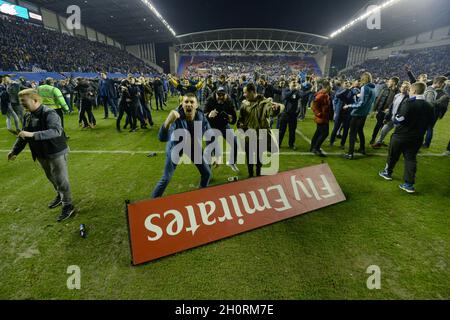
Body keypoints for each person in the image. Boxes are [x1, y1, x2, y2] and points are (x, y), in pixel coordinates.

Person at [7, 89, 75, 221]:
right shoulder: (28, 115)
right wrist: (15, 151)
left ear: (35, 100)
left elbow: (56, 131)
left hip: (55, 152)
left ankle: (68, 205)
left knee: (61, 180)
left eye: (24, 101)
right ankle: (61, 196)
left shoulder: (50, 113)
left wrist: (33, 135)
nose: (22, 105)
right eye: (21, 102)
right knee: (52, 178)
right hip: (40, 154)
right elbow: (23, 135)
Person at [151, 93, 212, 198]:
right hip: (176, 147)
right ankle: (152, 202)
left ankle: (202, 195)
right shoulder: (176, 117)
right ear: (181, 104)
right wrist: (167, 122)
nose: (189, 104)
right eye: (186, 102)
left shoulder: (201, 116)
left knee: (207, 174)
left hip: (192, 146)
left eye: (192, 102)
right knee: (166, 178)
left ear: (196, 105)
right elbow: (162, 138)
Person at [378, 82, 434, 193]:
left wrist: (394, 119)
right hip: (417, 138)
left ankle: (387, 173)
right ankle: (409, 184)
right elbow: (431, 123)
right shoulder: (429, 106)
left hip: (401, 136)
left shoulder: (409, 103)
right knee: (410, 159)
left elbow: (399, 119)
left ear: (414, 91)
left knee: (393, 155)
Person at [237, 83, 284, 178]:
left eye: (245, 92)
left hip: (260, 135)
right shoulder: (244, 104)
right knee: (249, 157)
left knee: (259, 158)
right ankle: (250, 175)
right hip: (248, 135)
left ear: (252, 92)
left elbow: (271, 110)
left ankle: (258, 175)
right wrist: (240, 125)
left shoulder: (264, 103)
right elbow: (240, 119)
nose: (244, 95)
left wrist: (275, 108)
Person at [203, 87, 239, 172]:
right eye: (219, 95)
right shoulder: (210, 100)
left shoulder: (229, 101)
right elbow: (202, 115)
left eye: (223, 95)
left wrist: (230, 119)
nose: (221, 97)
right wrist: (208, 115)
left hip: (224, 125)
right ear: (215, 94)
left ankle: (232, 162)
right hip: (211, 126)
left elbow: (234, 119)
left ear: (226, 95)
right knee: (209, 149)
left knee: (234, 142)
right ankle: (207, 171)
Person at [343, 72, 376, 160]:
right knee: (360, 131)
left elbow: (361, 103)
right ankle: (362, 148)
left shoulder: (365, 87)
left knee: (352, 133)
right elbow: (370, 102)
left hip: (358, 113)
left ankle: (350, 154)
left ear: (363, 79)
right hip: (364, 113)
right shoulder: (373, 88)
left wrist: (349, 105)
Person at [372, 81, 410, 148]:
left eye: (406, 87)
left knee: (397, 134)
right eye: (402, 87)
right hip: (391, 117)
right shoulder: (397, 95)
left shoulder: (408, 98)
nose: (403, 88)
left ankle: (395, 146)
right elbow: (391, 107)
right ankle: (379, 142)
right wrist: (387, 117)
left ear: (408, 89)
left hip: (398, 119)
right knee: (383, 130)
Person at [370, 77, 400, 146]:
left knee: (384, 127)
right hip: (381, 111)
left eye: (389, 81)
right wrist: (375, 110)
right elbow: (379, 99)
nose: (388, 83)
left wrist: (389, 109)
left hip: (389, 113)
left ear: (394, 83)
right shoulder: (385, 89)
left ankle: (380, 140)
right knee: (378, 125)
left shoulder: (397, 92)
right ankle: (373, 138)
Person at [422, 76, 449, 148]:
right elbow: (431, 103)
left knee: (427, 128)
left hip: (432, 112)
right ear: (440, 83)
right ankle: (423, 143)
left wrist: (441, 114)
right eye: (443, 83)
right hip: (430, 111)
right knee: (427, 128)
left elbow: (444, 106)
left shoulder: (430, 88)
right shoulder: (432, 90)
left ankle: (425, 143)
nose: (444, 84)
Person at [310, 80, 332, 157]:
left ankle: (313, 147)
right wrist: (319, 114)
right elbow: (313, 105)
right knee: (325, 133)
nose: (331, 87)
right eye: (330, 85)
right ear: (327, 86)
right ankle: (316, 148)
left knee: (318, 132)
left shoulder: (325, 94)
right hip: (322, 118)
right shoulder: (321, 95)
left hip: (324, 117)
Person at [278, 79, 301, 150]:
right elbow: (285, 97)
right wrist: (293, 90)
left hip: (293, 115)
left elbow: (302, 95)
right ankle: (278, 144)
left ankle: (291, 144)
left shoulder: (297, 91)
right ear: (289, 84)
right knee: (281, 130)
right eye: (292, 82)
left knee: (292, 131)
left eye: (295, 83)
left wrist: (299, 89)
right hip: (285, 113)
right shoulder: (285, 90)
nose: (294, 84)